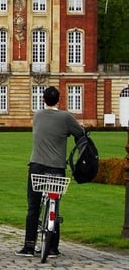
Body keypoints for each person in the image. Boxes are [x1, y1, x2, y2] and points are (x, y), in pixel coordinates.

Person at [17, 86, 85, 258]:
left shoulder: (37, 115)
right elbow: (80, 132)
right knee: (55, 205)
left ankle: (29, 246)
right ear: (59, 100)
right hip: (57, 168)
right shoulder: (66, 117)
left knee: (33, 207)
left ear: (43, 100)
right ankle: (53, 248)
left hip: (37, 166)